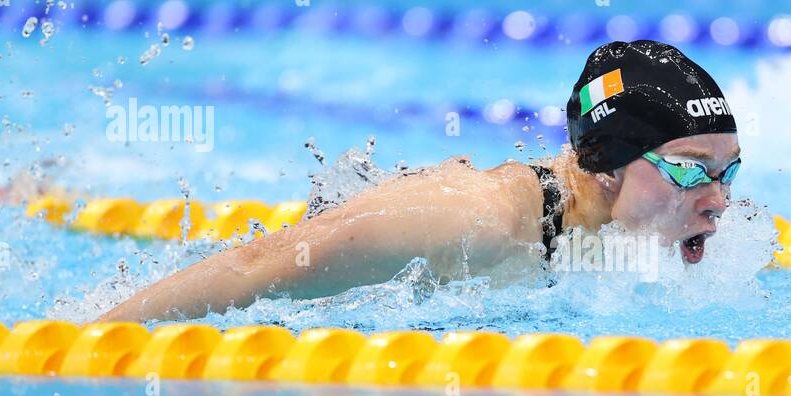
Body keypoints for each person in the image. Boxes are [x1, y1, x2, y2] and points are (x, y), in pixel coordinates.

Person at [100, 40, 741, 323]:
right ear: (603, 167)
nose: (718, 203)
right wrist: (87, 346)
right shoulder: (473, 221)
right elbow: (256, 264)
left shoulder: (637, 228)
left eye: (726, 172)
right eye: (690, 170)